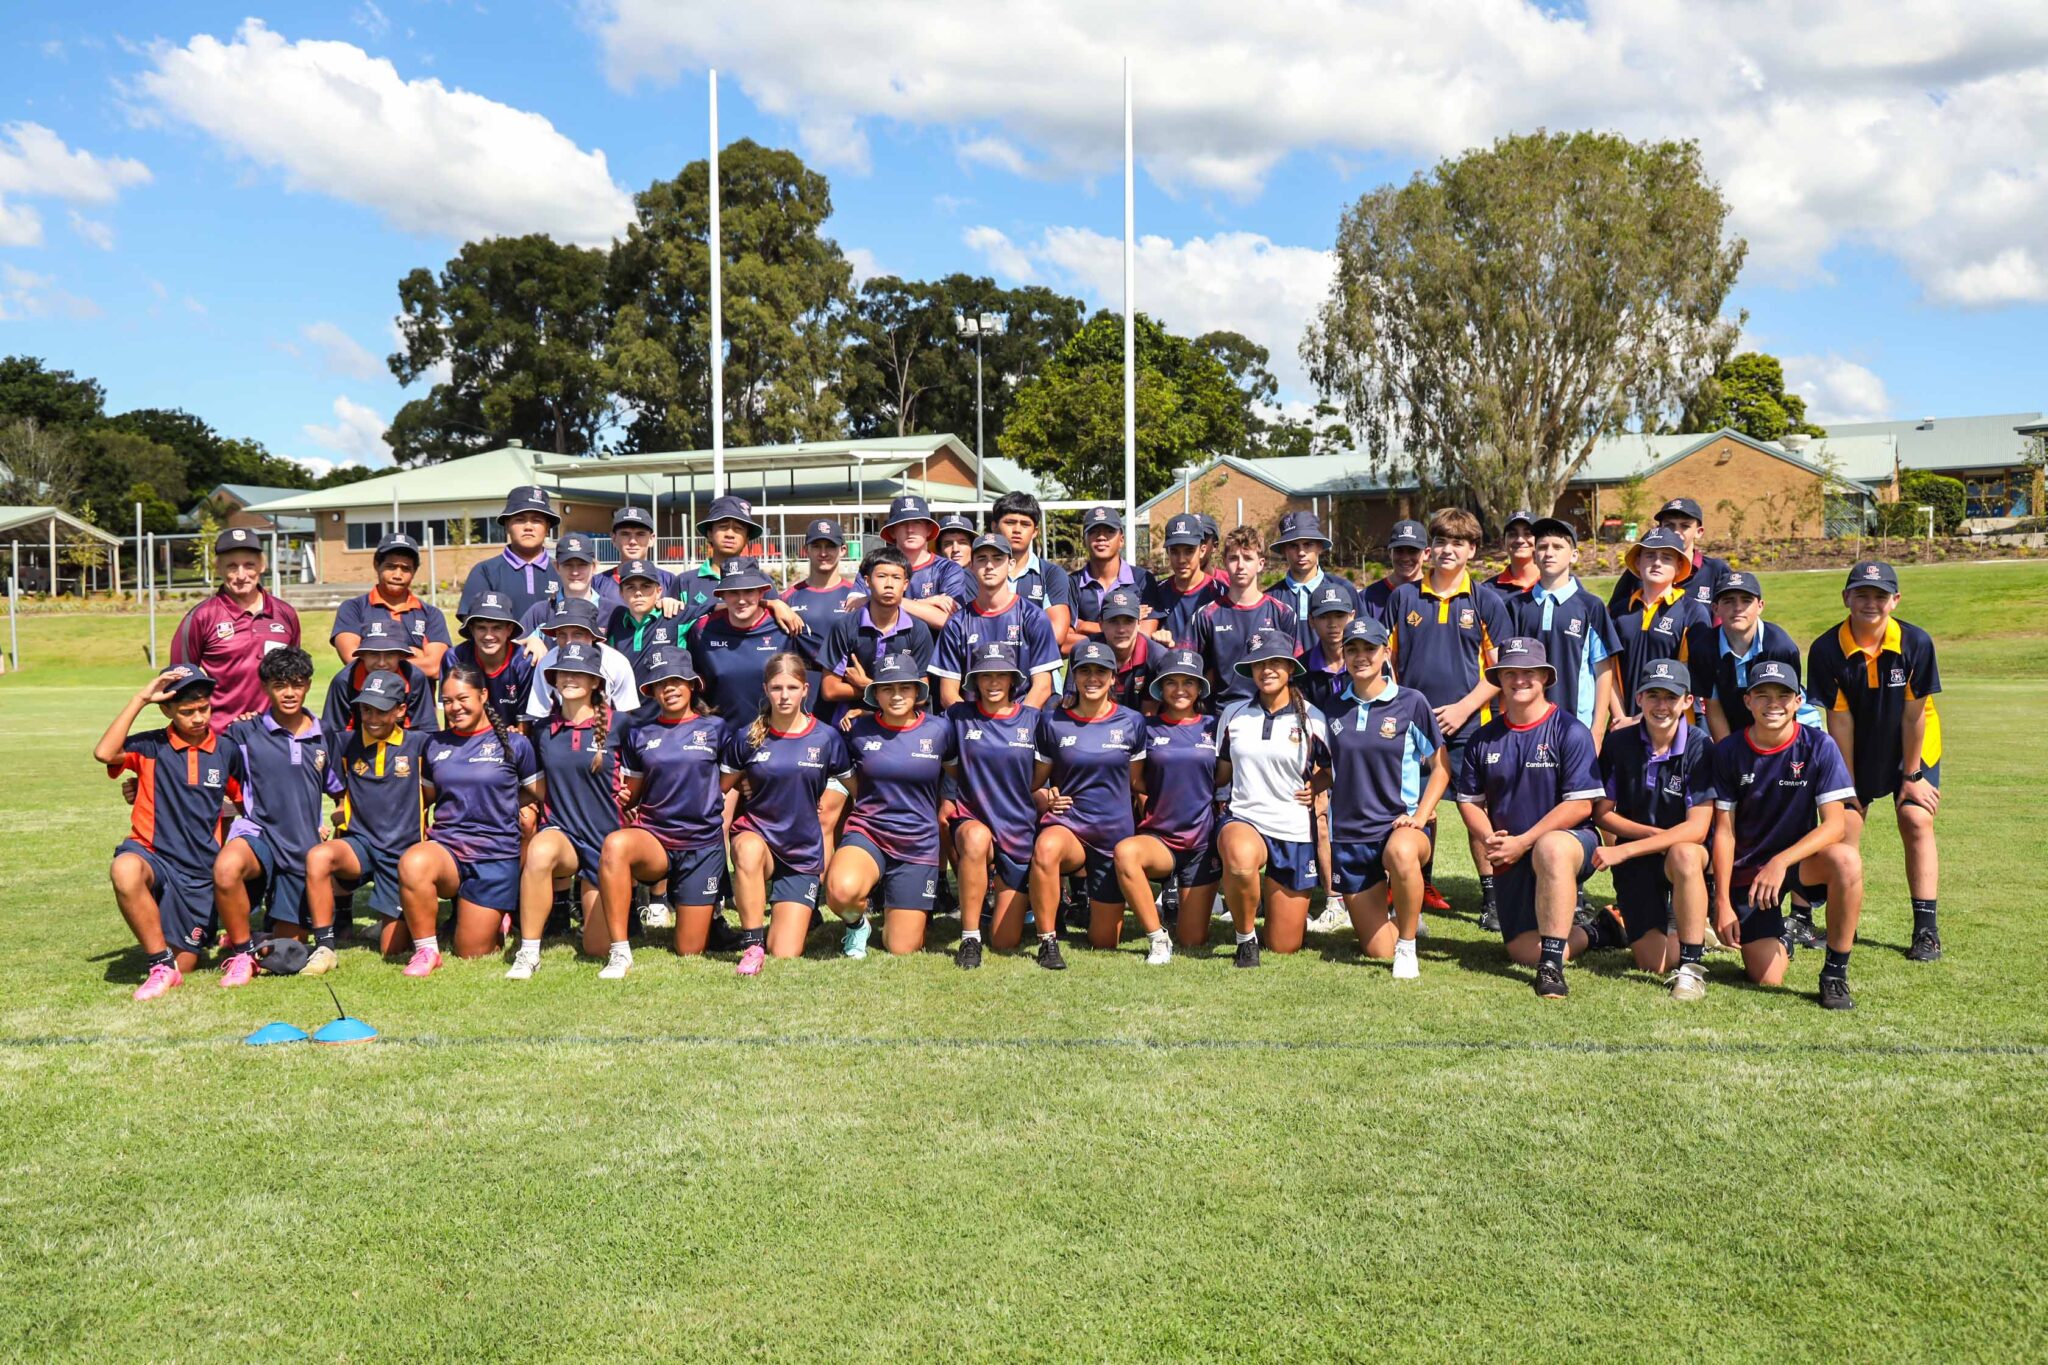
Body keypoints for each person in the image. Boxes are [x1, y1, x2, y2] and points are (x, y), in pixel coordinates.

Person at [1805, 560, 1945, 962]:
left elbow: (1914, 716)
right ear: (1846, 598)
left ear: (1895, 600)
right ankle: (1838, 925)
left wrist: (1912, 775)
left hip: (1912, 746)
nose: (1871, 602)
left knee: (1916, 819)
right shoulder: (1826, 649)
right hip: (1858, 745)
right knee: (1845, 826)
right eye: (1861, 594)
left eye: (1880, 595)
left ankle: (1926, 931)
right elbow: (1840, 721)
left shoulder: (1916, 642)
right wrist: (1846, 788)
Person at [1454, 638, 1607, 999]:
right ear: (1499, 679)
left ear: (1545, 678)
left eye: (1528, 672)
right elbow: (1469, 802)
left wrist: (1524, 842)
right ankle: (1599, 931)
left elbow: (1580, 807)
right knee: (1522, 952)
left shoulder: (1570, 731)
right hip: (1512, 850)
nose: (1519, 679)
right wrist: (1491, 838)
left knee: (1550, 848)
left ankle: (1551, 968)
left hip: (1570, 843)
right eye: (1509, 673)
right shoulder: (1483, 738)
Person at [1709, 659, 1865, 1008]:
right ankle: (1781, 935)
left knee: (1847, 860)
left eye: (1783, 695)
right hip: (1749, 874)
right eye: (1762, 695)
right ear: (1748, 701)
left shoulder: (1819, 745)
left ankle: (1834, 975)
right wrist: (1721, 902)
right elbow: (1724, 833)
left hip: (1797, 864)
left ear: (1798, 701)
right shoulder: (1728, 752)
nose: (1773, 704)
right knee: (1766, 977)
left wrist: (1781, 862)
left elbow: (1835, 825)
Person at [1386, 507, 1514, 925]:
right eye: (1440, 541)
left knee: (1477, 809)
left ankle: (1493, 897)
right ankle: (1416, 889)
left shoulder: (1486, 601)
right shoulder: (1404, 597)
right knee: (1418, 809)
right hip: (1413, 728)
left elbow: (1500, 671)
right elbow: (1387, 663)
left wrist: (1463, 709)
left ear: (1472, 550)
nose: (1447, 550)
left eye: (1457, 543)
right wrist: (1403, 710)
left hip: (1471, 726)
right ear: (1429, 549)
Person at [96, 665, 241, 999]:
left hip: (197, 872)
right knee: (124, 868)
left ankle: (171, 949)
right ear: (167, 710)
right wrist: (141, 698)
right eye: (187, 712)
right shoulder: (150, 745)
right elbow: (104, 753)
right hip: (152, 853)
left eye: (204, 708)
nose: (198, 718)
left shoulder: (226, 751)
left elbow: (243, 801)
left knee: (186, 963)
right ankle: (160, 964)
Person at [398, 664, 542, 976]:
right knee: (413, 862)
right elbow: (427, 798)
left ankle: (498, 918)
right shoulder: (435, 744)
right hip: (448, 849)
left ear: (483, 695)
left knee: (470, 952)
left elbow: (538, 793)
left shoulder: (515, 744)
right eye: (447, 701)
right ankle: (426, 951)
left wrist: (516, 808)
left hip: (495, 855)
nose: (455, 707)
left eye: (462, 698)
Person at [1323, 618, 1447, 979]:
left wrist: (1421, 816)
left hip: (1399, 826)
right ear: (1343, 655)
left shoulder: (1411, 702)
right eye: (1352, 649)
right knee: (1377, 949)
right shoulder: (1331, 708)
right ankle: (1405, 919)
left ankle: (1407, 945)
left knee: (1402, 852)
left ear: (1386, 653)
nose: (1361, 656)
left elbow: (1441, 767)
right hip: (1350, 836)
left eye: (1370, 648)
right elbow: (1327, 768)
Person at [721, 651, 855, 968]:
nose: (784, 696)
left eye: (792, 688)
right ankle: (752, 944)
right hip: (760, 838)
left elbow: (858, 791)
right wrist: (743, 782)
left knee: (785, 951)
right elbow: (720, 788)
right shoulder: (747, 737)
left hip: (802, 851)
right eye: (777, 688)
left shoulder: (826, 738)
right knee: (747, 848)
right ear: (766, 690)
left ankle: (793, 916)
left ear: (805, 690)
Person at [1591, 659, 1716, 994]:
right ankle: (1622, 924)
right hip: (1639, 858)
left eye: (1671, 697)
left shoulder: (1700, 746)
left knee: (1684, 853)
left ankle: (1691, 969)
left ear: (1687, 701)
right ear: (1639, 699)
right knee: (1654, 964)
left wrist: (1626, 849)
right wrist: (1654, 837)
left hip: (1680, 856)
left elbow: (1697, 829)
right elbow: (1602, 813)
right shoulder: (1619, 743)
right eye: (1653, 695)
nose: (1662, 705)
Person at [823, 652, 958, 958]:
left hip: (918, 842)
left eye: (904, 688)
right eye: (887, 688)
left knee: (902, 947)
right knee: (840, 892)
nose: (896, 695)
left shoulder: (940, 730)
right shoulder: (857, 730)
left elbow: (956, 774)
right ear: (876, 694)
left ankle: (901, 912)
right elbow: (839, 772)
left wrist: (949, 804)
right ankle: (857, 925)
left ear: (917, 691)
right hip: (869, 833)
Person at [506, 643, 628, 981]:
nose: (570, 679)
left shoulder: (621, 724)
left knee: (596, 947)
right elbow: (533, 782)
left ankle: (621, 921)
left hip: (606, 845)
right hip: (564, 835)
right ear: (554, 679)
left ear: (595, 682)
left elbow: (646, 773)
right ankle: (528, 952)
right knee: (540, 851)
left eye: (579, 673)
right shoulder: (542, 731)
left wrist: (633, 799)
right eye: (564, 673)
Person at [599, 648, 730, 959]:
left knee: (689, 950)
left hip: (701, 844)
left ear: (692, 684)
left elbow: (734, 778)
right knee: (615, 845)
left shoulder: (716, 728)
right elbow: (632, 792)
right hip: (656, 839)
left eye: (676, 681)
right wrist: (625, 797)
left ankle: (710, 913)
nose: (668, 688)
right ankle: (620, 948)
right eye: (660, 683)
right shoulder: (640, 733)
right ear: (652, 691)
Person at [1214, 629, 1329, 966]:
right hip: (1244, 817)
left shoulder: (1313, 717)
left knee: (1284, 945)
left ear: (1290, 667)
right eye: (1258, 664)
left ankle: (1278, 916)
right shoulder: (1233, 715)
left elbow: (1330, 769)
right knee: (1239, 860)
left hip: (1294, 829)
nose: (1267, 670)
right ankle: (1245, 938)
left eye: (1275, 662)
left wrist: (1317, 786)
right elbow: (1221, 773)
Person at [1029, 641, 1143, 965]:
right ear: (1074, 677)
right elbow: (1035, 782)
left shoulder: (1132, 722)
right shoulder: (1052, 721)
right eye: (1084, 671)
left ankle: (1081, 908)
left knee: (1104, 941)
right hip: (1070, 826)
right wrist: (1047, 795)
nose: (1092, 678)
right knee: (1046, 847)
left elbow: (1138, 783)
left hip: (1113, 836)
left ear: (1113, 677)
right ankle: (1047, 940)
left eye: (1100, 671)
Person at [214, 647, 330, 958]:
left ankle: (256, 935)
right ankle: (241, 952)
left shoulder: (324, 735)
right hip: (259, 835)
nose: (289, 693)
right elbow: (201, 767)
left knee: (288, 949)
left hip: (301, 849)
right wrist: (142, 784)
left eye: (297, 684)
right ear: (265, 687)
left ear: (308, 685)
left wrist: (330, 825)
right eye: (279, 686)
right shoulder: (243, 732)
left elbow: (340, 790)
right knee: (226, 867)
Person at [304, 669, 425, 965]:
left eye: (381, 711)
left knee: (392, 950)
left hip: (401, 854)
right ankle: (325, 946)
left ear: (400, 710)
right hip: (360, 847)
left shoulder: (420, 744)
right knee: (319, 856)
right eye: (366, 709)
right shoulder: (345, 743)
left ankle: (394, 921)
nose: (372, 718)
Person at [1112, 648, 1224, 963]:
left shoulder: (1214, 726)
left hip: (1201, 845)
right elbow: (1136, 781)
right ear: (1160, 688)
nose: (1180, 690)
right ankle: (1157, 937)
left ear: (1199, 688)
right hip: (1160, 839)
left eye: (1188, 682)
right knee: (1126, 853)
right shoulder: (1145, 727)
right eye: (1171, 682)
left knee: (1192, 939)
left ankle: (1178, 906)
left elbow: (1222, 777)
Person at [944, 643, 1043, 965]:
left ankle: (998, 907)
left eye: (1001, 674)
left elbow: (1044, 775)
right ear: (975, 680)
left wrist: (1050, 794)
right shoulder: (958, 717)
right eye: (986, 675)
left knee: (1004, 941)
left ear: (1013, 679)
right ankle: (970, 937)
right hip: (974, 821)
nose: (994, 682)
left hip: (1018, 830)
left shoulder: (1034, 720)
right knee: (975, 838)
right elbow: (919, 733)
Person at [169, 526, 302, 733]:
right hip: (220, 736)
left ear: (262, 565)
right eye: (232, 566)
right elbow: (180, 682)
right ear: (218, 569)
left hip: (275, 734)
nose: (241, 575)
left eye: (249, 565)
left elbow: (294, 675)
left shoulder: (285, 614)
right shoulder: (201, 617)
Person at [1506, 516, 1619, 744]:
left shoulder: (1591, 606)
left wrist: (1597, 730)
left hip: (1576, 727)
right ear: (1534, 556)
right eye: (1542, 547)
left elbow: (1603, 670)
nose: (1549, 553)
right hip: (1524, 727)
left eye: (1558, 547)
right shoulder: (1516, 606)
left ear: (1574, 555)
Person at [930, 533, 1062, 709]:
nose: (989, 566)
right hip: (973, 721)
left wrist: (1017, 721)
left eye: (997, 558)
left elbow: (1042, 687)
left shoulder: (1034, 617)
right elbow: (948, 694)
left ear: (1011, 564)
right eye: (982, 559)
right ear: (971, 565)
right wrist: (974, 722)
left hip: (1022, 718)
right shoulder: (956, 624)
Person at [688, 557, 817, 722]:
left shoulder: (785, 625)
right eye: (733, 592)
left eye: (749, 591)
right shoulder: (702, 630)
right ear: (722, 594)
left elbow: (825, 664)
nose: (741, 600)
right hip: (723, 733)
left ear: (761, 592)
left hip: (776, 733)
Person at [818, 546, 936, 726]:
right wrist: (894, 691)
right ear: (867, 581)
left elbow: (921, 695)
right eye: (881, 576)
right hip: (853, 723)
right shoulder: (845, 626)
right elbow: (830, 690)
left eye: (896, 577)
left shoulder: (918, 629)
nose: (889, 584)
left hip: (904, 727)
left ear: (905, 584)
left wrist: (867, 685)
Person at [1185, 525, 1300, 707]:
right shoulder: (1206, 616)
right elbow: (1189, 671)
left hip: (1272, 712)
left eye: (1247, 558)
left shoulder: (1283, 613)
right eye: (1233, 558)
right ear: (1224, 562)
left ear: (1261, 563)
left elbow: (1296, 671)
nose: (1240, 566)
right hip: (1223, 713)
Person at [671, 494, 808, 637]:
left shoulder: (762, 582)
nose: (730, 534)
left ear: (747, 539)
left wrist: (776, 604)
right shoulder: (685, 582)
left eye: (738, 529)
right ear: (710, 534)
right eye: (723, 527)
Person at [1609, 527, 1708, 721]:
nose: (1657, 563)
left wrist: (1646, 718)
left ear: (1679, 566)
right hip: (1623, 722)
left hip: (1671, 721)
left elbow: (1692, 675)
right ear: (1638, 562)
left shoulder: (1692, 612)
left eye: (1666, 557)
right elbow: (1607, 671)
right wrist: (1622, 718)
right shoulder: (1619, 611)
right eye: (1650, 556)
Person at [1689, 571, 1800, 740]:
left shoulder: (1781, 648)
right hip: (1729, 728)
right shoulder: (1703, 649)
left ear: (1760, 606)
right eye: (1728, 601)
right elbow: (1713, 706)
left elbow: (1786, 706)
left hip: (1775, 726)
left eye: (1746, 600)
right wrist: (1727, 751)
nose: (1738, 607)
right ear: (1715, 608)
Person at [330, 532, 450, 679]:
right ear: (376, 565)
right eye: (391, 567)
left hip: (418, 695)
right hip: (367, 694)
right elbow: (353, 661)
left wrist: (376, 658)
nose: (397, 575)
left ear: (414, 571)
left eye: (405, 568)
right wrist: (414, 654)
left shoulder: (431, 615)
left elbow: (435, 668)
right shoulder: (353, 609)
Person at [1606, 496, 1730, 616]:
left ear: (1699, 532)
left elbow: (1727, 618)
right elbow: (1614, 614)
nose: (1676, 532)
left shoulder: (1715, 570)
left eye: (1685, 526)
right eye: (1669, 525)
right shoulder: (1643, 570)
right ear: (1659, 528)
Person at [522, 599, 639, 721]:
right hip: (561, 730)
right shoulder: (547, 663)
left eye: (577, 634)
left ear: (592, 635)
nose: (569, 642)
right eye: (562, 634)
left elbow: (624, 714)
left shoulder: (617, 663)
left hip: (605, 730)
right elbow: (539, 714)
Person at [318, 617, 435, 735]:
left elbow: (425, 730)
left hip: (403, 744)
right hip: (357, 744)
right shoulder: (344, 681)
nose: (381, 663)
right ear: (362, 655)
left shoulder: (414, 678)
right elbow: (334, 734)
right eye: (373, 654)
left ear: (401, 655)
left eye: (390, 654)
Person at [461, 485, 561, 623]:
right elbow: (473, 624)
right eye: (520, 520)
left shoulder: (564, 571)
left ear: (547, 527)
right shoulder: (485, 572)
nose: (528, 527)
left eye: (536, 520)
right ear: (507, 525)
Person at [990, 491, 1076, 648]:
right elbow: (968, 629)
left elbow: (1057, 633)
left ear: (1035, 531)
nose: (1017, 529)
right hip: (989, 660)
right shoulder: (977, 573)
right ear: (994, 526)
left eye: (1025, 524)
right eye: (1010, 522)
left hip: (1036, 661)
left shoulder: (1051, 574)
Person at [875, 493, 971, 630]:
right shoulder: (875, 566)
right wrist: (927, 603)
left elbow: (948, 620)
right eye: (903, 524)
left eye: (917, 523)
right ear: (892, 531)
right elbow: (857, 604)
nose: (910, 530)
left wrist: (890, 601)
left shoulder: (949, 569)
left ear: (929, 529)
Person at [516, 533, 619, 649]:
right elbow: (511, 649)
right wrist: (530, 641)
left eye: (582, 565)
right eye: (568, 565)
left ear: (594, 567)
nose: (575, 572)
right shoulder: (540, 612)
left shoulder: (613, 613)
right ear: (557, 567)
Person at [448, 588, 533, 727]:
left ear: (509, 629)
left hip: (511, 736)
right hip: (468, 735)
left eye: (497, 628)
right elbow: (452, 717)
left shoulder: (523, 662)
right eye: (481, 628)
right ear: (471, 629)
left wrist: (515, 736)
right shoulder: (455, 657)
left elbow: (525, 722)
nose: (488, 636)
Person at [1069, 505, 1155, 639]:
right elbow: (1065, 637)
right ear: (1084, 541)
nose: (1101, 537)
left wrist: (1083, 626)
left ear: (1121, 540)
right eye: (1093, 531)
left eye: (1109, 531)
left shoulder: (1143, 579)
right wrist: (1127, 624)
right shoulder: (1072, 583)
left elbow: (1143, 634)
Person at [604, 558, 687, 685]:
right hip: (625, 698)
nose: (638, 593)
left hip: (665, 697)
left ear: (659, 591)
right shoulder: (615, 621)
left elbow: (715, 609)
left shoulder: (676, 615)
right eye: (631, 587)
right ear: (621, 593)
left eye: (646, 586)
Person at [781, 517, 865, 638]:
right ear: (806, 550)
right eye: (816, 546)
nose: (823, 553)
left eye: (830, 546)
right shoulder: (787, 599)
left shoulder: (856, 597)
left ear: (843, 550)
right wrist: (774, 604)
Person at [1143, 513, 1219, 646]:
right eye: (1174, 551)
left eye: (1189, 551)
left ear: (1202, 551)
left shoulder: (1220, 594)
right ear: (1168, 552)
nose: (1181, 559)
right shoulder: (1155, 593)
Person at [1270, 509, 1346, 640]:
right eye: (1293, 546)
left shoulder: (1343, 590)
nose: (1301, 552)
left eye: (1308, 544)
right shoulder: (1271, 598)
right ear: (1283, 550)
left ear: (1320, 547)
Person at [599, 505, 685, 606]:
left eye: (640, 534)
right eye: (625, 534)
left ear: (652, 539)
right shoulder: (598, 582)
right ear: (614, 539)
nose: (632, 541)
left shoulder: (670, 581)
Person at [1299, 578, 1359, 713]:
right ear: (1311, 620)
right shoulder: (1301, 669)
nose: (1332, 624)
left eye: (1340, 615)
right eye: (1323, 616)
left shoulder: (1367, 663)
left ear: (1352, 616)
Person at [1097, 588, 1160, 712]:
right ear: (1101, 624)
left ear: (1139, 623)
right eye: (1113, 621)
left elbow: (1149, 715)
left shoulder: (1156, 658)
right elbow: (1071, 702)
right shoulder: (1086, 652)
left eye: (1128, 621)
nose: (1121, 630)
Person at [1357, 519, 1427, 627]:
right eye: (1399, 550)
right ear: (1390, 552)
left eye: (1412, 551)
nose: (1405, 558)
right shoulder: (1368, 597)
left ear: (1426, 553)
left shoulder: (1435, 597)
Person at [1487, 510, 1539, 594]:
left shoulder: (1556, 584)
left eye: (1528, 534)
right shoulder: (1488, 591)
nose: (1520, 540)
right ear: (1503, 542)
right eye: (1512, 534)